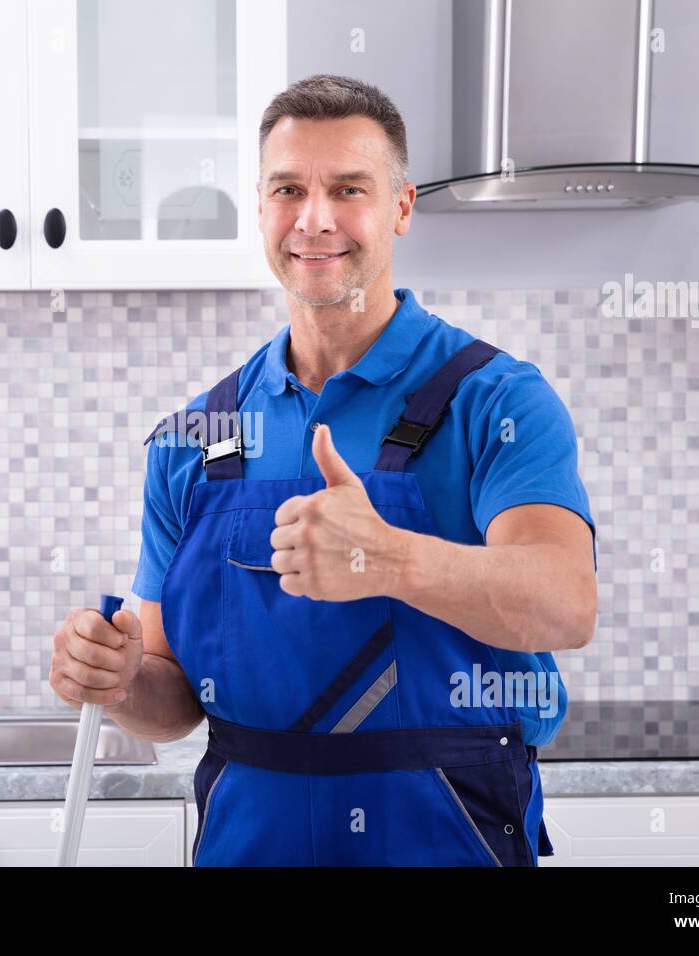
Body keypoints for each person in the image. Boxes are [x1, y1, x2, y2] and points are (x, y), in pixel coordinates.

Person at [50, 74, 598, 866]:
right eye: (288, 189)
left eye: (349, 188)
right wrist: (121, 676)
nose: (315, 218)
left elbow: (565, 603)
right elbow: (171, 693)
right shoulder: (197, 437)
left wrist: (393, 560)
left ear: (402, 206)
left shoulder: (495, 401)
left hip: (446, 843)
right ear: (261, 207)